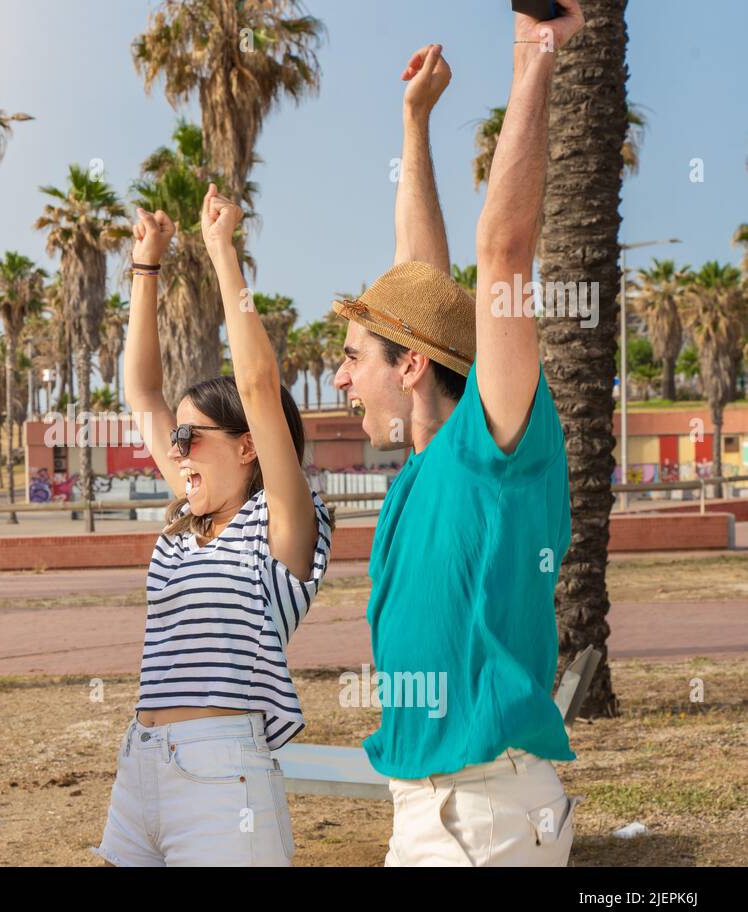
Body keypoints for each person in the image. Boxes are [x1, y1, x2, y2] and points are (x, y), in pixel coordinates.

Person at [330, 3, 587, 866]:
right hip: (429, 816)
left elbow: (504, 250)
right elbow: (424, 290)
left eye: (349, 357)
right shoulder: (424, 468)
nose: (337, 376)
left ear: (407, 369)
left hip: (484, 819)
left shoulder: (496, 444)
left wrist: (537, 51)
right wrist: (415, 121)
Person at [93, 183, 333, 866]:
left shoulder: (281, 523)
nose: (176, 450)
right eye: (176, 439)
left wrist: (222, 251)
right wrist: (146, 267)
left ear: (249, 444)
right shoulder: (189, 513)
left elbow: (258, 385)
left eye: (192, 436)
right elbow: (140, 392)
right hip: (142, 764)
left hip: (223, 774)